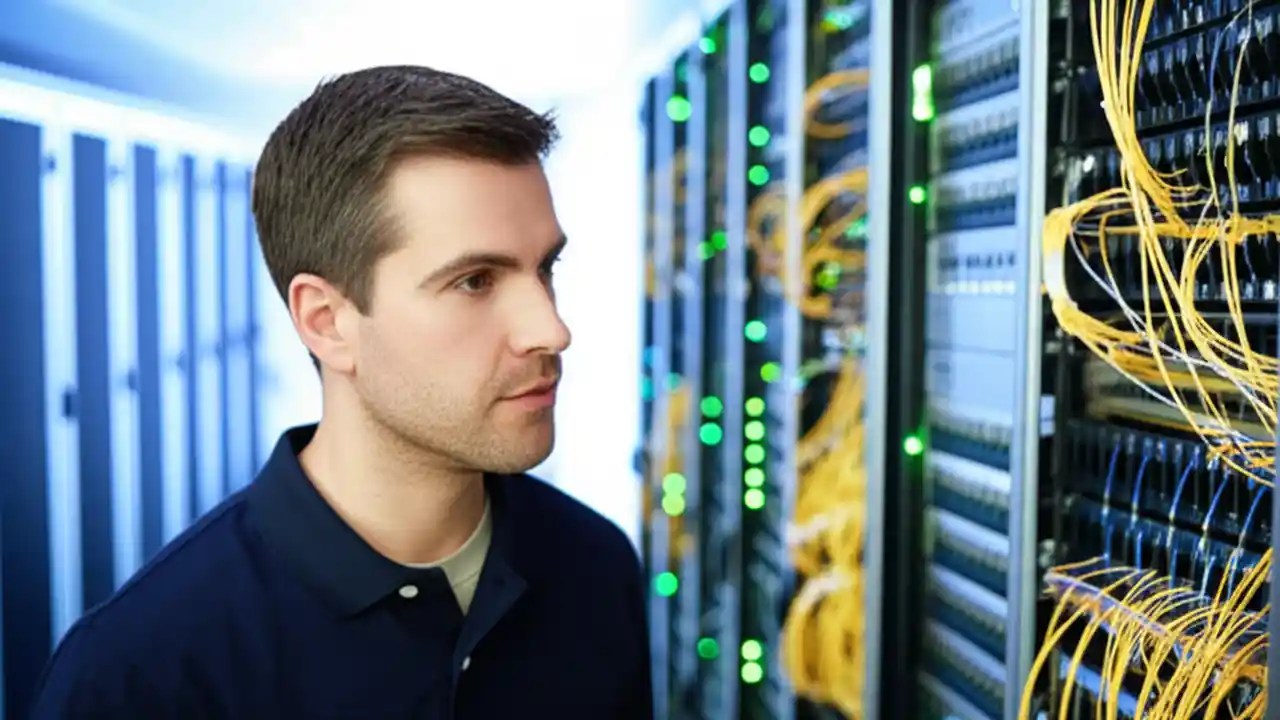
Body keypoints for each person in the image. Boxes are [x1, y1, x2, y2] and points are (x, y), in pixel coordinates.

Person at [31, 65, 653, 719]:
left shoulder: (595, 566)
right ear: (327, 322)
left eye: (544, 268)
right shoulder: (140, 675)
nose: (551, 328)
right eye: (475, 281)